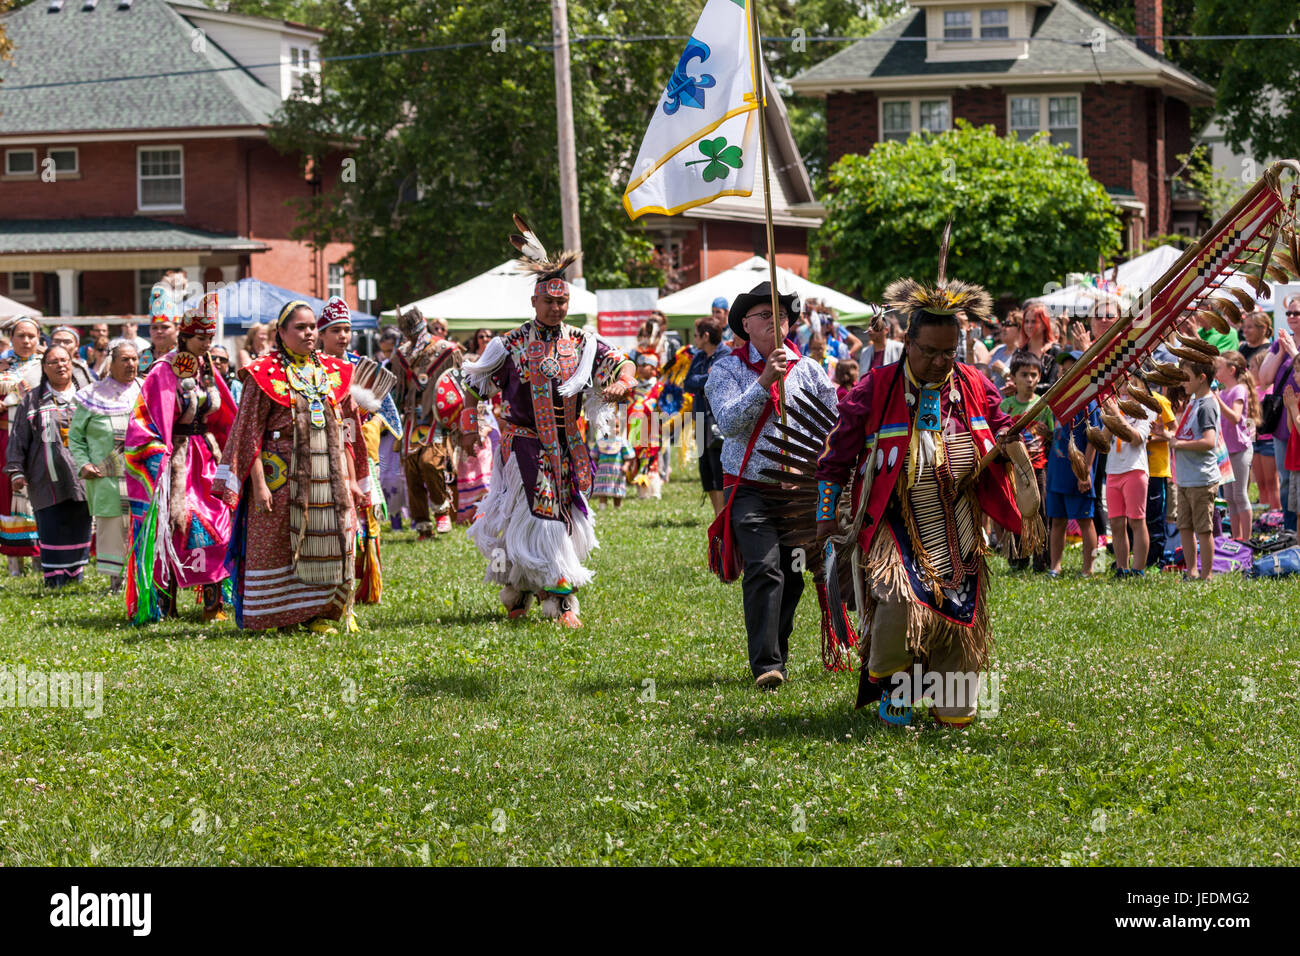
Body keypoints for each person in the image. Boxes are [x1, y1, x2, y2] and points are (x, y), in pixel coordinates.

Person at [814, 277, 1038, 725]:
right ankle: (895, 689)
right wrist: (825, 515)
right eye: (929, 351)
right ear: (907, 342)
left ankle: (950, 706)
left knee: (958, 615)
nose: (940, 362)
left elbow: (1001, 426)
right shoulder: (876, 388)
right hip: (894, 521)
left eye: (948, 353)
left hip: (957, 519)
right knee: (899, 600)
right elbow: (834, 458)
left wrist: (1019, 441)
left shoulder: (973, 383)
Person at [462, 217, 633, 628]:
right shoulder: (510, 345)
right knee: (539, 517)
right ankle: (560, 597)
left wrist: (622, 383)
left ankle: (517, 587)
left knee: (557, 514)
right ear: (535, 303)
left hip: (569, 447)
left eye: (562, 302)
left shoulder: (583, 342)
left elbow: (624, 362)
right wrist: (469, 428)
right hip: (524, 446)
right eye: (549, 302)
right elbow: (476, 386)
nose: (556, 308)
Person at [709, 282, 840, 688]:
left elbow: (835, 422)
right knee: (765, 568)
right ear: (745, 324)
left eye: (780, 315)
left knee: (793, 574)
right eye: (764, 315)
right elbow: (728, 423)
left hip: (799, 491)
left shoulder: (810, 369)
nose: (774, 321)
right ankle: (766, 664)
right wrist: (764, 379)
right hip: (749, 487)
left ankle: (777, 655)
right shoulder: (725, 369)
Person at [213, 301, 369, 633]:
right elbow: (248, 432)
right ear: (281, 333)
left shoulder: (335, 371)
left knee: (330, 537)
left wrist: (352, 478)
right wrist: (259, 483)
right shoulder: (263, 373)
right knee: (276, 543)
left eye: (312, 326)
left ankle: (318, 614)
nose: (309, 332)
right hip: (279, 472)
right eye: (300, 327)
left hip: (327, 474)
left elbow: (348, 428)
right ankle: (277, 616)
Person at [124, 294, 237, 622]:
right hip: (176, 462)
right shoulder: (163, 370)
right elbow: (146, 418)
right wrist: (158, 454)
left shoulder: (206, 368)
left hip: (206, 457)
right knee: (176, 525)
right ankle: (164, 604)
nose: (206, 345)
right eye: (201, 339)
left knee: (219, 523)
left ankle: (213, 605)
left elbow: (226, 413)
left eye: (210, 339)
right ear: (185, 336)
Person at [317, 296, 403, 602]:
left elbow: (389, 414)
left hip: (361, 451)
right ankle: (329, 580)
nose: (342, 335)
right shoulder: (312, 367)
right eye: (336, 330)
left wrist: (371, 426)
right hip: (322, 452)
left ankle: (365, 582)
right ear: (321, 334)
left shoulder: (359, 366)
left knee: (364, 515)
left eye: (346, 329)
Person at [3, 346, 91, 588]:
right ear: (44, 368)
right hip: (45, 473)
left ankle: (75, 576)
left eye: (64, 360)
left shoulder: (86, 396)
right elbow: (19, 436)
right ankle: (54, 578)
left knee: (79, 521)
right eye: (53, 362)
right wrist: (16, 470)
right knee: (51, 522)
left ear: (72, 364)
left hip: (82, 472)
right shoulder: (33, 399)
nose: (60, 365)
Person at [68, 340, 141, 590]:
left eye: (134, 359)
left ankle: (142, 579)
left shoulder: (145, 390)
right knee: (111, 525)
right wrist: (84, 463)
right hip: (107, 472)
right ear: (112, 362)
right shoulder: (93, 394)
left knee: (140, 521)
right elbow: (75, 437)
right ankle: (116, 581)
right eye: (125, 359)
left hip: (141, 472)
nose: (131, 364)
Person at [391, 306, 463, 538]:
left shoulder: (445, 350)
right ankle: (422, 524)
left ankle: (441, 510)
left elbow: (459, 385)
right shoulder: (402, 354)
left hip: (436, 415)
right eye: (408, 334)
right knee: (411, 469)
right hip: (412, 418)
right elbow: (397, 389)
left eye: (415, 332)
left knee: (431, 462)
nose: (412, 338)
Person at [1046, 351, 1101, 577]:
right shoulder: (1058, 398)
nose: (1065, 374)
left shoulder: (1090, 401)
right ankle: (1055, 567)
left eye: (1071, 369)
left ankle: (1090, 568)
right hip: (1057, 471)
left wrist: (1084, 472)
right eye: (1063, 370)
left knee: (1085, 520)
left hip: (1076, 473)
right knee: (1057, 520)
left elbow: (1094, 440)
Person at [0, 316, 45, 574]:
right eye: (21, 335)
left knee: (38, 495)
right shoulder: (2, 366)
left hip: (40, 440)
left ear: (38, 338)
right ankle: (13, 563)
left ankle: (41, 559)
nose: (26, 340)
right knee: (8, 498)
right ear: (12, 338)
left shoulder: (48, 365)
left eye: (31, 336)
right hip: (6, 440)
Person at [1001, 354, 1053, 572]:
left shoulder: (1043, 407)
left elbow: (1052, 438)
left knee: (1039, 512)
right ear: (1013, 377)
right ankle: (1018, 559)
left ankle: (1042, 560)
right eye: (1024, 375)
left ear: (1040, 376)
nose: (1030, 379)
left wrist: (1048, 434)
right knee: (1016, 512)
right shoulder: (1006, 406)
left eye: (1034, 375)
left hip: (1038, 467)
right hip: (1014, 467)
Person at [1170, 360, 1221, 581]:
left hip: (1202, 479)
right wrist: (1167, 437)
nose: (1182, 381)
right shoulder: (1193, 402)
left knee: (1203, 529)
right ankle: (1191, 571)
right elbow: (1184, 437)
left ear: (1202, 378)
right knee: (1185, 526)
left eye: (1187, 376)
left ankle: (1206, 575)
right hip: (1185, 478)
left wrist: (1179, 445)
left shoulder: (1207, 405)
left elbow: (1209, 442)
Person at [1259, 295, 1300, 533]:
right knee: (1285, 480)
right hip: (1283, 425)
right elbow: (1264, 379)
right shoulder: (1280, 344)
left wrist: (1294, 352)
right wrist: (1282, 351)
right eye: (1290, 313)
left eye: (1297, 313)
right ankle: (1290, 528)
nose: (1292, 318)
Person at [1101, 393, 1152, 577]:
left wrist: (1116, 415)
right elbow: (1103, 441)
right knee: (1116, 523)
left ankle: (1138, 569)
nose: (1125, 389)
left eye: (1130, 383)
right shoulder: (1115, 409)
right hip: (1113, 470)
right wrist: (1109, 418)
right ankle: (1122, 568)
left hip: (1135, 469)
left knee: (1136, 521)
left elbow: (1136, 438)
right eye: (1121, 384)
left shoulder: (1144, 409)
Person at [1215, 350, 1259, 541]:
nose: (1215, 370)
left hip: (1240, 449)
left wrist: (1216, 399)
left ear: (1231, 370)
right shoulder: (1224, 391)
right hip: (1226, 450)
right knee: (1230, 498)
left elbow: (1235, 417)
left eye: (1218, 367)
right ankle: (1236, 537)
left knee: (1240, 495)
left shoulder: (1238, 390)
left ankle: (1246, 539)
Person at [683, 316, 725, 515]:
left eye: (697, 335)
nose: (694, 338)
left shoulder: (726, 354)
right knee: (705, 471)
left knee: (719, 469)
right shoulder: (699, 356)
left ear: (706, 336)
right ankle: (718, 515)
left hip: (719, 421)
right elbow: (687, 383)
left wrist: (706, 380)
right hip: (700, 420)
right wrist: (708, 378)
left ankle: (723, 516)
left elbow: (720, 380)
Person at [1142, 382, 1178, 568]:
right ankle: (1141, 555)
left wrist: (1151, 437)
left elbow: (1175, 431)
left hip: (1156, 469)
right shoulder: (1127, 402)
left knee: (1155, 516)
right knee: (1138, 517)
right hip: (1135, 468)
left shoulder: (1160, 401)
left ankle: (1156, 559)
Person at [627, 349, 664, 499]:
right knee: (637, 456)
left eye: (645, 365)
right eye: (639, 364)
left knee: (651, 456)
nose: (641, 367)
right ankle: (642, 491)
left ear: (654, 369)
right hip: (635, 426)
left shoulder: (660, 388)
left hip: (653, 428)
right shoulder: (633, 387)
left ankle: (654, 491)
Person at [1012, 303, 1061, 390]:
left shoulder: (1054, 350)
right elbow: (1013, 380)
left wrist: (1022, 387)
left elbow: (1054, 385)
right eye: (1026, 321)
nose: (1029, 326)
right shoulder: (1019, 351)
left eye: (1034, 321)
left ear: (1044, 324)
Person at [987, 311, 1022, 391]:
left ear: (1020, 328)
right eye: (1003, 324)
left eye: (1008, 324)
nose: (1003, 328)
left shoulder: (1022, 353)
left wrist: (1004, 371)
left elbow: (1026, 382)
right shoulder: (999, 350)